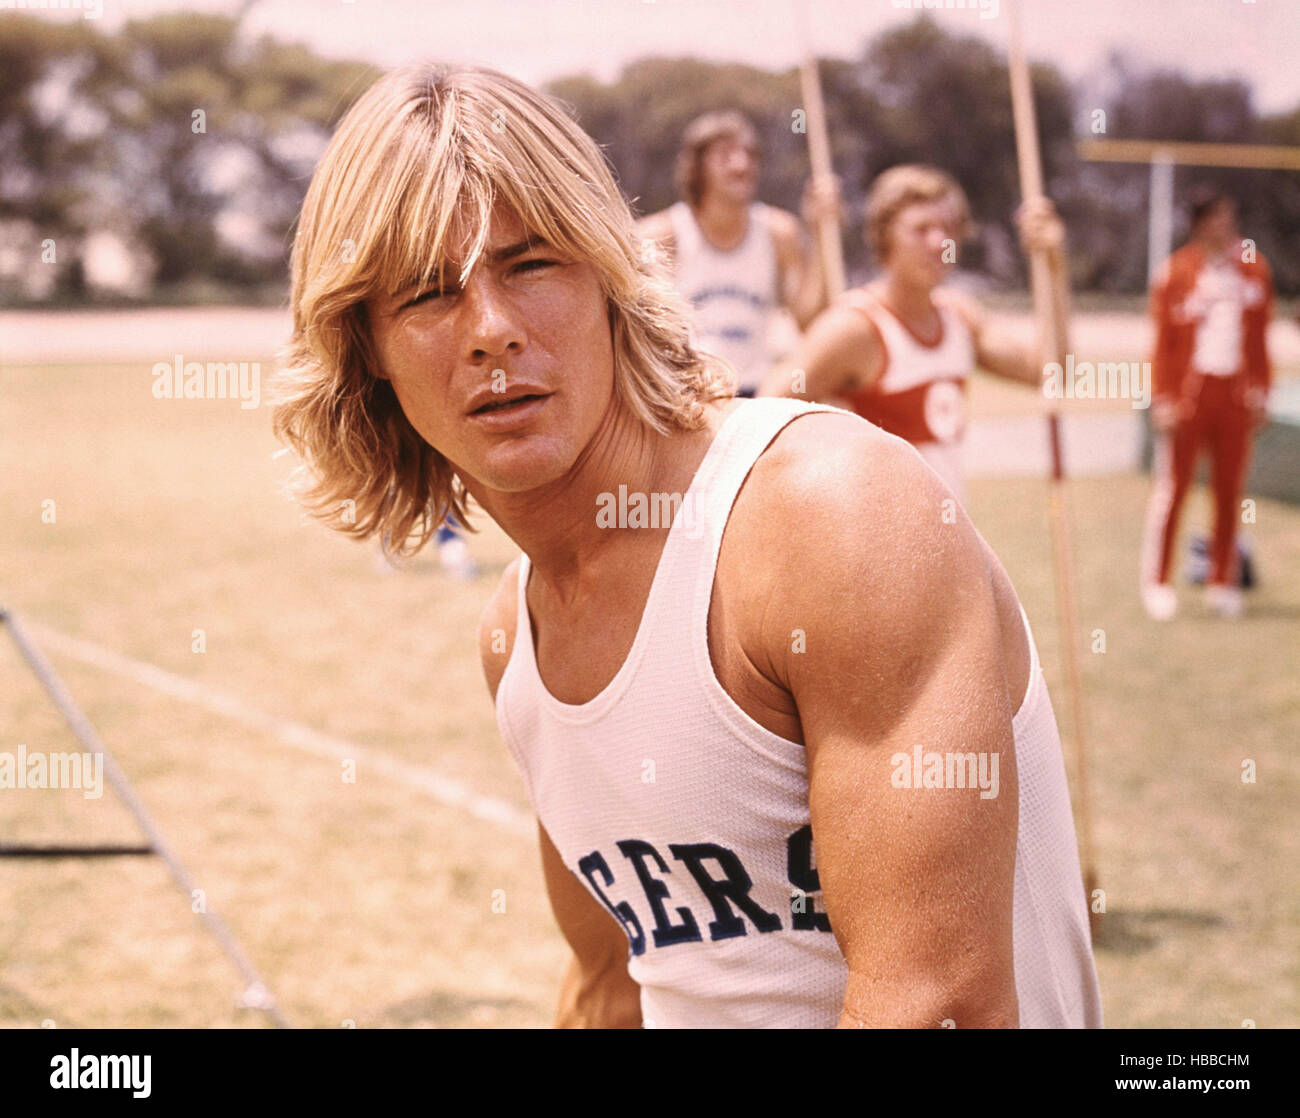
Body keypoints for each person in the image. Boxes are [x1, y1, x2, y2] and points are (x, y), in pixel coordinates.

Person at [273, 64, 1102, 1029]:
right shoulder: (518, 645)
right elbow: (611, 992)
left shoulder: (829, 516)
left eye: (531, 262)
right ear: (365, 345)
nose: (491, 331)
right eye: (426, 293)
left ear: (612, 280)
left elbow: (939, 1005)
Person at [759, 164, 1064, 506]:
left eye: (948, 228)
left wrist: (1053, 264)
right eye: (921, 229)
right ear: (885, 235)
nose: (939, 242)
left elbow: (1050, 371)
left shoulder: (959, 317)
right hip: (871, 544)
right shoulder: (855, 327)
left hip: (944, 536)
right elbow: (764, 412)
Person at [635, 111, 837, 397]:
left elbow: (810, 323)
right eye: (726, 155)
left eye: (750, 154)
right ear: (697, 166)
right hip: (686, 397)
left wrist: (820, 235)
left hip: (756, 395)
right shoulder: (660, 236)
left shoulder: (779, 233)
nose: (742, 165)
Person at [1140, 188, 1273, 620]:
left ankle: (1222, 579)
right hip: (1188, 397)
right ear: (1199, 224)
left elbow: (1260, 341)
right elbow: (1162, 342)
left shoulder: (1254, 270)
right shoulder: (1176, 272)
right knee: (1174, 489)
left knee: (1229, 491)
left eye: (1229, 218)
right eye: (1215, 219)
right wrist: (1161, 396)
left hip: (1234, 395)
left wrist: (1261, 390)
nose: (1225, 227)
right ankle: (1158, 581)